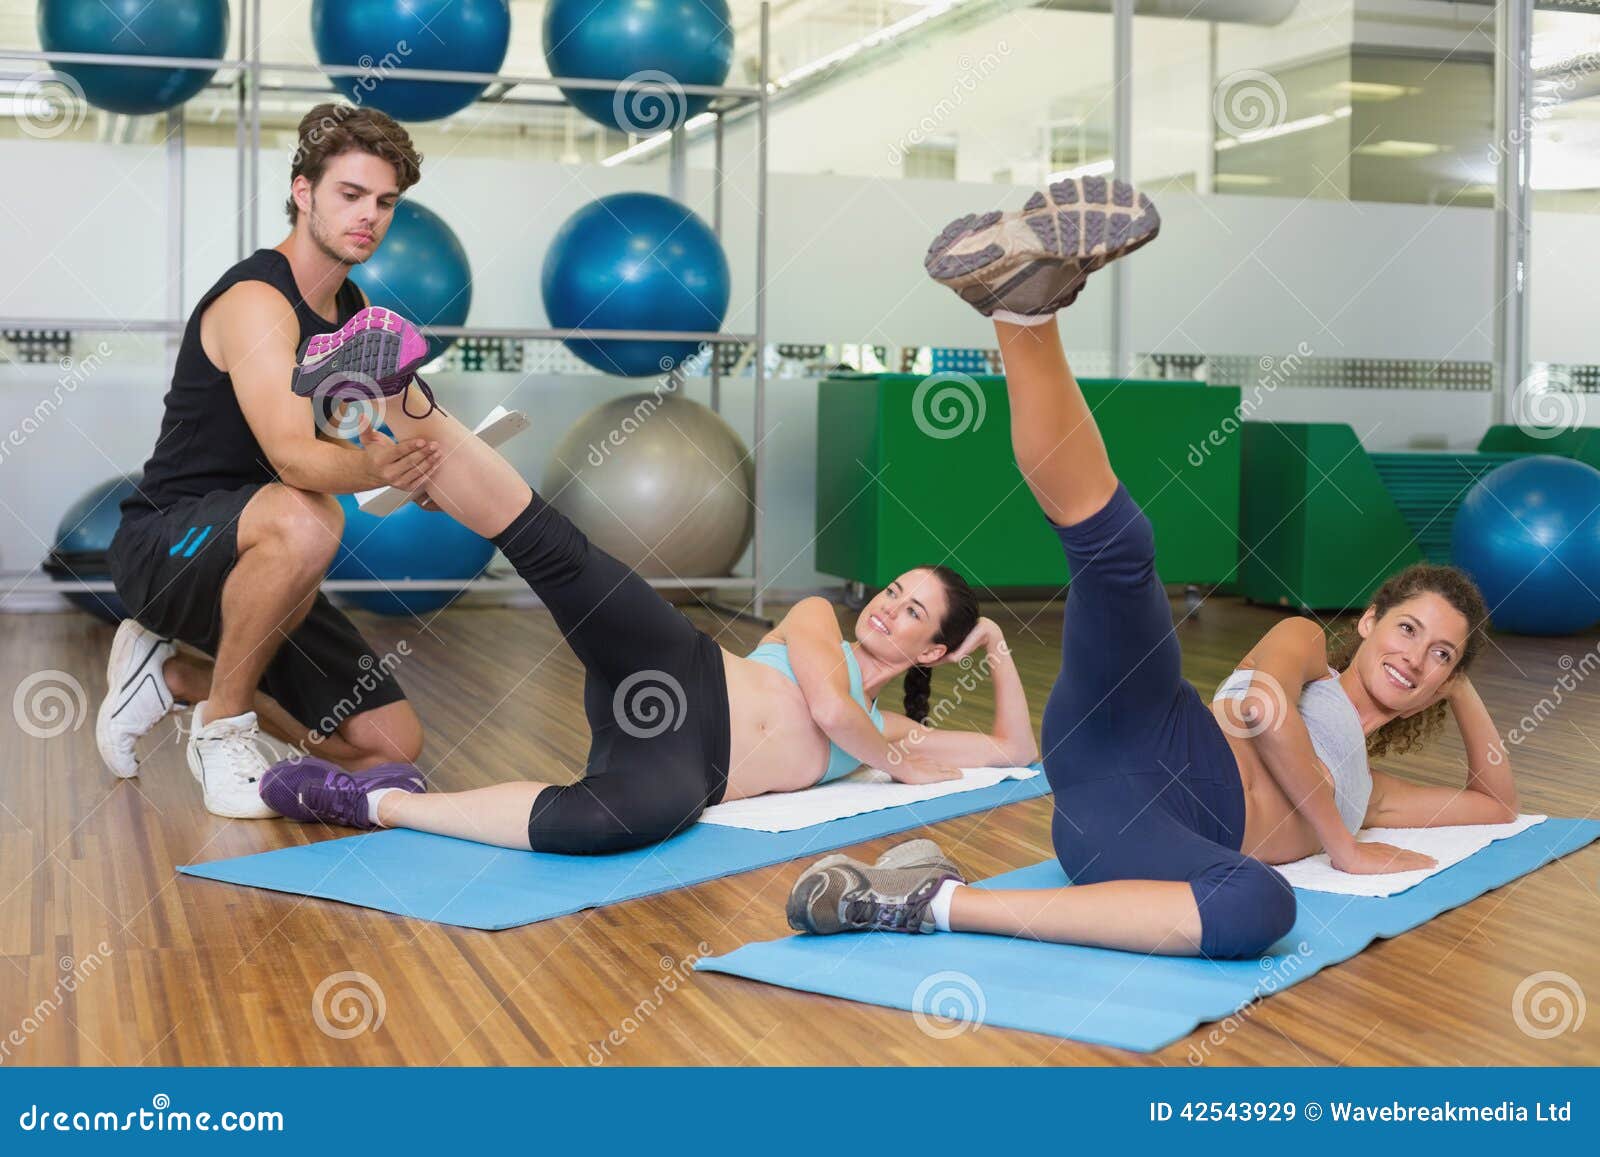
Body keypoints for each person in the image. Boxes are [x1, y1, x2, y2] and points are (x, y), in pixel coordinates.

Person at [786, 176, 1520, 958]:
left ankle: (936, 899)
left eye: (1437, 653)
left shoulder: (1376, 794)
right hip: (1142, 724)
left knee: (1259, 907)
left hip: (1133, 829)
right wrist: (1340, 843)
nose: (1415, 654)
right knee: (1120, 550)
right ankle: (1022, 310)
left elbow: (1494, 803)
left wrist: (1460, 670)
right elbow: (1259, 703)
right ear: (1368, 621)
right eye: (1407, 628)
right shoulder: (1307, 649)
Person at [258, 307, 1039, 852]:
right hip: (674, 666)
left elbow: (1011, 749)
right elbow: (834, 709)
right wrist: (896, 761)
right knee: (548, 543)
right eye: (893, 591)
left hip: (688, 769)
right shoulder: (813, 623)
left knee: (596, 828)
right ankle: (395, 386)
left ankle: (376, 801)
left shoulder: (891, 729)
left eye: (911, 614)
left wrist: (996, 642)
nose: (887, 609)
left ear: (934, 652)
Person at [98, 103, 443, 818]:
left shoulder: (351, 308)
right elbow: (293, 458)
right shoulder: (258, 299)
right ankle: (222, 734)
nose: (369, 217)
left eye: (385, 203)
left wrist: (415, 470)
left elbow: (353, 437)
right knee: (307, 514)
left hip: (270, 553)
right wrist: (379, 470)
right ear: (304, 192)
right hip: (168, 546)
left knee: (390, 744)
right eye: (351, 195)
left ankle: (180, 677)